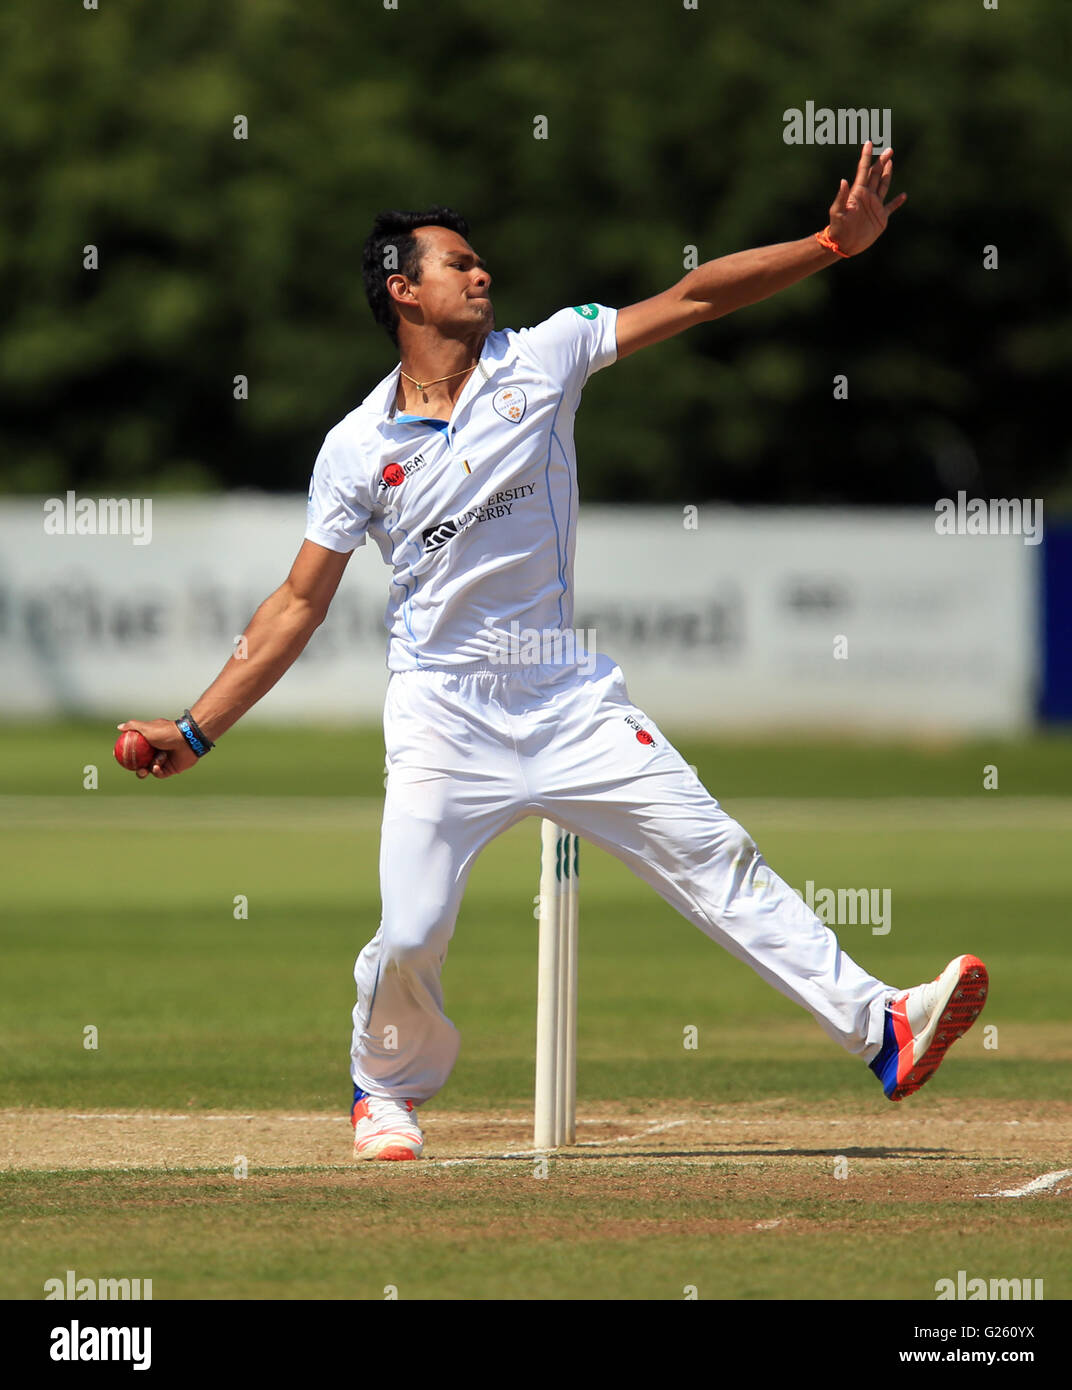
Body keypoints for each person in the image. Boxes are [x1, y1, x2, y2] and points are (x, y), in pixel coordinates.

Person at [119, 142, 987, 1161]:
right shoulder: (358, 447)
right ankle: (384, 1093)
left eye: (480, 261)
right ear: (403, 290)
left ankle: (882, 1024)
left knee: (714, 855)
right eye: (456, 263)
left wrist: (831, 244)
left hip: (571, 701)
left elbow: (694, 299)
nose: (481, 272)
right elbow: (296, 603)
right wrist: (195, 727)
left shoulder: (545, 355)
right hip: (444, 716)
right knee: (410, 927)